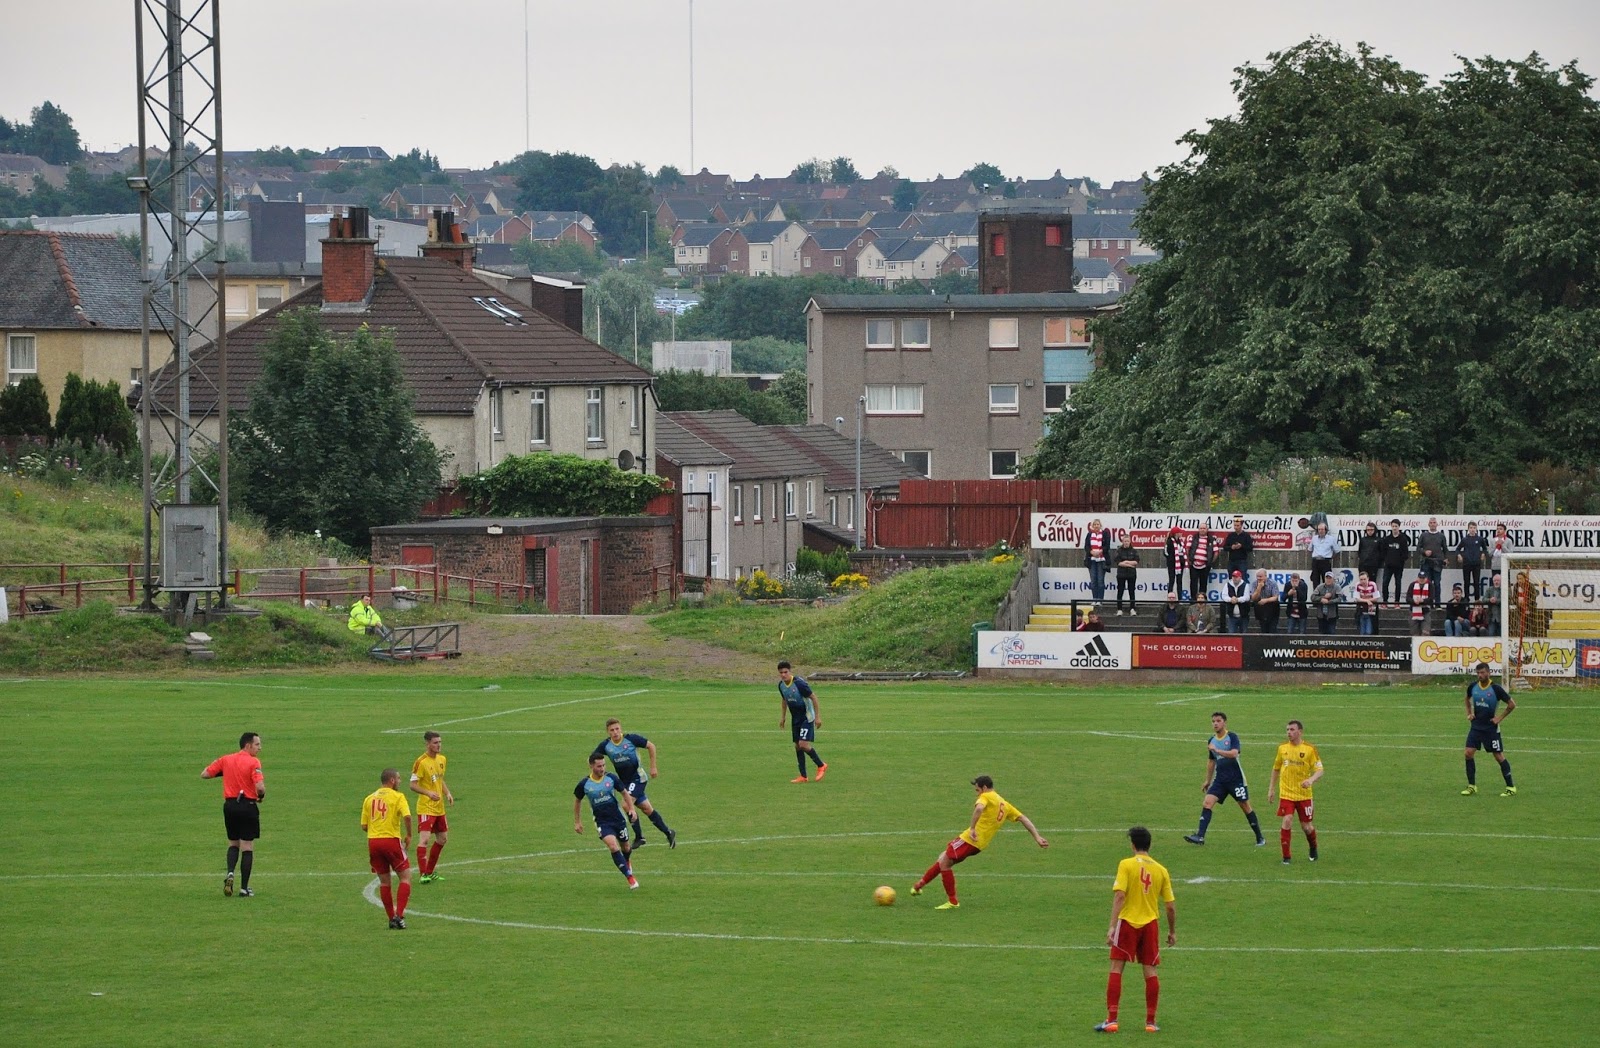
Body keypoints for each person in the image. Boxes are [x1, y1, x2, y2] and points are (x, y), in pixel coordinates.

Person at [910, 775, 1047, 909]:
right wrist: (1037, 837)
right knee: (943, 857)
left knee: (945, 863)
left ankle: (953, 901)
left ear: (985, 787)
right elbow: (1023, 818)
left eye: (977, 790)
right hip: (980, 844)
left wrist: (972, 828)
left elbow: (979, 808)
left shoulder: (986, 796)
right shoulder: (1004, 804)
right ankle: (918, 886)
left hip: (970, 839)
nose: (977, 794)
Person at [1094, 826, 1175, 1035]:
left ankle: (1112, 1020)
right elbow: (1170, 906)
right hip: (1150, 924)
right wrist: (1172, 931)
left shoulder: (1126, 864)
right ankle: (1150, 1023)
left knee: (1116, 967)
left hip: (1128, 922)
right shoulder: (1161, 870)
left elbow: (1120, 896)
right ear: (1149, 845)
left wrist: (1112, 926)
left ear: (1133, 845)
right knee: (1150, 970)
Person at [1183, 712, 1265, 847]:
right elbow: (1211, 761)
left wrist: (1217, 750)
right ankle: (1200, 836)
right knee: (1207, 803)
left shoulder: (1232, 737)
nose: (1215, 723)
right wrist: (1207, 780)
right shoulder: (1211, 740)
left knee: (1245, 806)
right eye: (1213, 721)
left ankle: (1259, 837)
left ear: (1224, 722)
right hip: (1220, 780)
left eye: (1218, 721)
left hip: (1236, 779)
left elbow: (1234, 753)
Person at [591, 718, 676, 848]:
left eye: (617, 729)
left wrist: (653, 767)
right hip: (625, 783)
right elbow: (593, 759)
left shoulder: (631, 739)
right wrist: (599, 773)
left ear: (621, 729)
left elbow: (651, 746)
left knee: (626, 805)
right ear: (608, 732)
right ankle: (668, 832)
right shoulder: (606, 745)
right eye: (612, 730)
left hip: (638, 778)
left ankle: (639, 837)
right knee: (647, 809)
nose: (615, 732)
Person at [201, 732, 264, 898]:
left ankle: (230, 873)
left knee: (233, 843)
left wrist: (226, 772)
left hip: (229, 806)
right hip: (247, 806)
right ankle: (244, 889)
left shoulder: (226, 759)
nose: (260, 748)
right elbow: (260, 787)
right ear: (248, 745)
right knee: (247, 846)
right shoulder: (254, 762)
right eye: (257, 744)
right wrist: (261, 796)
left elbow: (205, 774)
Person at [574, 754, 638, 889]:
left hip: (618, 819)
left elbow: (624, 793)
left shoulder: (611, 778)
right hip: (602, 822)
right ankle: (630, 878)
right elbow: (577, 801)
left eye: (603, 765)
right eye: (599, 766)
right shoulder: (584, 784)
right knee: (613, 846)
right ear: (591, 766)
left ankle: (626, 861)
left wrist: (632, 809)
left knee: (626, 847)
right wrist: (577, 822)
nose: (602, 768)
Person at [361, 768, 413, 929]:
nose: (400, 781)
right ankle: (399, 916)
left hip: (373, 842)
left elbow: (364, 826)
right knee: (405, 876)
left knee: (384, 881)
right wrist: (409, 835)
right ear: (392, 780)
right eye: (398, 778)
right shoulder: (398, 797)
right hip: (391, 840)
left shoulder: (369, 798)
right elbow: (407, 816)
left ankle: (391, 919)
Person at [1268, 720, 1324, 864]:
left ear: (1300, 732)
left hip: (1304, 795)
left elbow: (1320, 770)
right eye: (1287, 730)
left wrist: (1310, 780)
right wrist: (1271, 789)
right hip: (1286, 793)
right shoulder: (1282, 748)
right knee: (1287, 820)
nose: (1289, 732)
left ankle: (1313, 847)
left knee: (1307, 827)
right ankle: (1286, 857)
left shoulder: (1309, 749)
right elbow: (1276, 768)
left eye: (1292, 730)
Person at [1462, 661, 1517, 797]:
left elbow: (1511, 704)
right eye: (1478, 673)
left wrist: (1499, 718)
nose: (1480, 675)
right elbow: (1467, 699)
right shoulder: (1473, 687)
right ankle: (1471, 786)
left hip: (1491, 729)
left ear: (1488, 673)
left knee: (1498, 756)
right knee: (1468, 753)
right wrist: (1469, 713)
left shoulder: (1496, 689)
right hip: (1476, 727)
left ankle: (1510, 787)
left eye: (1482, 673)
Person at [409, 731, 453, 883]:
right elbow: (412, 785)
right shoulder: (421, 762)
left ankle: (430, 871)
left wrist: (447, 793)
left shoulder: (442, 759)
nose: (439, 745)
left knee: (442, 839)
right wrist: (428, 793)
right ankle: (423, 875)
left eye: (440, 742)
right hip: (426, 807)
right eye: (435, 743)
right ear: (427, 744)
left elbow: (440, 779)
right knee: (425, 839)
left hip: (439, 807)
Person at [777, 660, 827, 783]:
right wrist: (783, 717)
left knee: (803, 744)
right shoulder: (781, 685)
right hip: (796, 718)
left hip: (807, 717)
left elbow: (813, 697)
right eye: (781, 673)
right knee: (797, 746)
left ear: (790, 671)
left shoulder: (799, 684)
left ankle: (821, 765)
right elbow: (784, 700)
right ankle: (803, 776)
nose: (783, 675)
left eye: (785, 672)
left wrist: (818, 717)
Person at [1380, 519, 1411, 605]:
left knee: (1398, 583)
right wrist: (1386, 560)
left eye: (1396, 526)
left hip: (1398, 566)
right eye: (1393, 526)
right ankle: (1385, 601)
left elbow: (1405, 553)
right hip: (1388, 566)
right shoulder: (1387, 539)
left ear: (1399, 527)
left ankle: (1397, 601)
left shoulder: (1403, 539)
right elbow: (1383, 551)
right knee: (1385, 583)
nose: (1394, 528)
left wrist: (1400, 561)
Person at [1456, 521, 1488, 602]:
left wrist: (1483, 554)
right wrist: (1459, 555)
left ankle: (1477, 600)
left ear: (1476, 529)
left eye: (1474, 528)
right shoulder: (1464, 540)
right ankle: (1466, 599)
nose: (1472, 529)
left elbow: (1485, 549)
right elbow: (1457, 549)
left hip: (1476, 563)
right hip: (1466, 563)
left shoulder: (1480, 539)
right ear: (1468, 529)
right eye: (1471, 528)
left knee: (1476, 582)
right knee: (1466, 582)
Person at [1084, 518, 1113, 603]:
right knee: (1093, 581)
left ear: (1100, 525)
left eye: (1098, 524)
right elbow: (1086, 546)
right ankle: (1094, 599)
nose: (1096, 526)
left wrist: (1100, 552)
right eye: (1095, 524)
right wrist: (1091, 552)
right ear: (1092, 526)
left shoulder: (1105, 534)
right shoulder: (1089, 535)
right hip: (1092, 560)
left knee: (1100, 580)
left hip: (1102, 559)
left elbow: (1107, 546)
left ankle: (1100, 600)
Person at [1418, 517, 1447, 593]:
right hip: (1426, 563)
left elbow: (1445, 549)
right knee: (1427, 584)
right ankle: (1428, 600)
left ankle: (1437, 600)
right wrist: (1424, 552)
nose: (1432, 524)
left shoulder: (1441, 536)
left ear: (1437, 524)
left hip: (1437, 563)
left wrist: (1445, 559)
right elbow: (1418, 548)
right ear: (1428, 524)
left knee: (1437, 584)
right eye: (1431, 523)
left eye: (1434, 523)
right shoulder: (1423, 535)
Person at [1187, 527, 1216, 603]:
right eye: (1201, 528)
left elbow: (1216, 552)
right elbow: (1187, 549)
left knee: (1203, 584)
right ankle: (1193, 601)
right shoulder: (1193, 538)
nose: (1202, 530)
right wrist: (1189, 560)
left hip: (1205, 566)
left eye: (1204, 528)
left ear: (1207, 530)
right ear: (1199, 529)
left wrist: (1210, 562)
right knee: (1193, 583)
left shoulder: (1211, 539)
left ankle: (1202, 601)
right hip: (1194, 565)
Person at [1113, 538, 1140, 616]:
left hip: (1131, 574)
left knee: (1132, 591)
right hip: (1121, 574)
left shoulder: (1134, 551)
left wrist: (1126, 562)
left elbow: (1136, 561)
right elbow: (1118, 563)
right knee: (1120, 591)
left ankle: (1132, 609)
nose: (1126, 542)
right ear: (1122, 542)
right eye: (1125, 541)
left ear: (1130, 542)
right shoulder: (1119, 551)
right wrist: (1130, 565)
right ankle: (1119, 609)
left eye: (1128, 541)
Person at [1250, 569, 1281, 634]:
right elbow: (1253, 598)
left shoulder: (1272, 583)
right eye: (1257, 576)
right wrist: (1259, 588)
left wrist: (1265, 600)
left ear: (1265, 576)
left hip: (1272, 608)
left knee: (1272, 629)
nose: (1259, 578)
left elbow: (1275, 597)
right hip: (1261, 609)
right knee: (1263, 629)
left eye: (1260, 576)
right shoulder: (1254, 583)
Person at [1356, 521, 1384, 588]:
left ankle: (1371, 594)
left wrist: (1377, 561)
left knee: (1372, 583)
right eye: (1368, 530)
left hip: (1373, 565)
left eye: (1371, 530)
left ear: (1375, 530)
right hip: (1363, 565)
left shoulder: (1379, 540)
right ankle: (1362, 594)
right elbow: (1359, 551)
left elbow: (1382, 553)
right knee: (1362, 582)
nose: (1370, 531)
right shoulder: (1363, 540)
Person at [1308, 521, 1337, 587]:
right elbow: (1310, 549)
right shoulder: (1314, 538)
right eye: (1319, 529)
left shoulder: (1331, 539)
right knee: (1315, 580)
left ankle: (1327, 593)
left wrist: (1330, 557)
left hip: (1325, 562)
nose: (1320, 531)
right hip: (1316, 562)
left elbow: (1336, 550)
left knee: (1327, 581)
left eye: (1322, 529)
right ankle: (1316, 593)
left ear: (1326, 530)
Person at [1163, 526, 1187, 598]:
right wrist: (1173, 559)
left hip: (1180, 564)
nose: (1181, 533)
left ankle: (1180, 598)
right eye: (1180, 532)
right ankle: (1170, 597)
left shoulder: (1181, 541)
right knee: (1171, 580)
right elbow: (1166, 553)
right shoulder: (1170, 542)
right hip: (1172, 564)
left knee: (1179, 581)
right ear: (1176, 533)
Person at [1355, 570, 1379, 635]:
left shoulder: (1373, 584)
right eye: (1361, 579)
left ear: (1368, 578)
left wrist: (1364, 599)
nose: (1363, 581)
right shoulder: (1357, 585)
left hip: (1371, 608)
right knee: (1362, 629)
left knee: (1369, 630)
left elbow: (1376, 598)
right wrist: (1367, 601)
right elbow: (1357, 598)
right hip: (1361, 608)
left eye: (1364, 579)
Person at [1484, 570, 1503, 636]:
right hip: (1491, 617)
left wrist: (1496, 601)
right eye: (1495, 581)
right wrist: (1490, 600)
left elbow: (1507, 599)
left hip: (1501, 617)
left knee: (1501, 635)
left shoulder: (1504, 589)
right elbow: (1484, 599)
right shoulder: (1489, 589)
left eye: (1498, 580)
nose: (1496, 582)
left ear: (1501, 581)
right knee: (1491, 635)